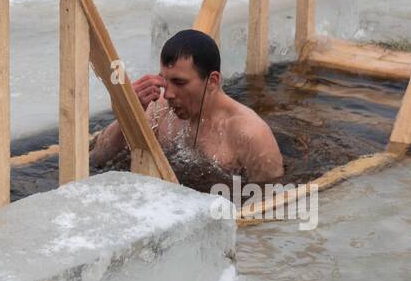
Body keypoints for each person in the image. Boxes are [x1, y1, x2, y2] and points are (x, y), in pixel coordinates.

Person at [90, 29, 284, 188]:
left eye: (179, 82)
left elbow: (269, 204)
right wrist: (130, 114)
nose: (168, 94)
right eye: (165, 81)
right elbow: (99, 158)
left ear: (212, 81)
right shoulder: (160, 110)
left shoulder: (250, 134)